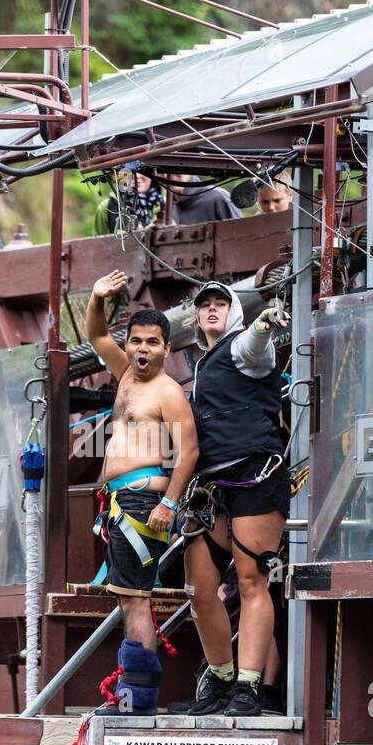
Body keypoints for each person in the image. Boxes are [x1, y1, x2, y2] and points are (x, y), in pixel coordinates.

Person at [86, 269, 198, 716]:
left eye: (153, 343)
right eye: (136, 341)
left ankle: (137, 701)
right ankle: (135, 695)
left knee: (136, 601)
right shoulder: (126, 376)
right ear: (128, 343)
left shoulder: (168, 393)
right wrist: (97, 297)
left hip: (143, 504)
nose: (143, 350)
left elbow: (188, 451)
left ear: (167, 349)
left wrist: (170, 503)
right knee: (128, 597)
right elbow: (95, 334)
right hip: (119, 503)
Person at [178, 280, 291, 717]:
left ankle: (249, 688)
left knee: (250, 580)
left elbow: (255, 346)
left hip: (254, 476)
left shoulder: (243, 349)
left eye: (220, 303)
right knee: (200, 588)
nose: (211, 309)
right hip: (211, 486)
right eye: (204, 304)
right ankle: (222, 678)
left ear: (234, 312)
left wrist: (263, 325)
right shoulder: (202, 365)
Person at [95, 163, 164, 234]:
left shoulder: (164, 203)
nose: (137, 176)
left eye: (143, 170)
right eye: (129, 171)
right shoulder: (107, 208)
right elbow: (100, 243)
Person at [169, 174, 241, 225]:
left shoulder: (220, 198)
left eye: (176, 170)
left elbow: (241, 240)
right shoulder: (169, 207)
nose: (167, 175)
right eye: (161, 171)